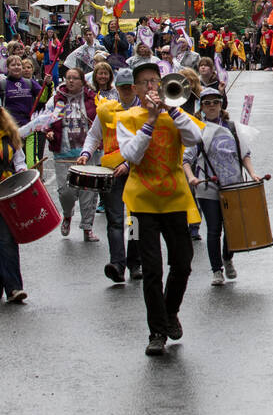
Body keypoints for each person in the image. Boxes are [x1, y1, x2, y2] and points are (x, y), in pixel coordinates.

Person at [116, 59, 203, 356]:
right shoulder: (127, 118)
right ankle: (156, 332)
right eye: (146, 82)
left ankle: (170, 312)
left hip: (175, 200)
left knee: (182, 262)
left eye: (155, 80)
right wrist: (151, 121)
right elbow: (132, 156)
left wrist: (172, 111)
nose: (152, 86)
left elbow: (196, 138)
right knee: (150, 268)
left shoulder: (176, 113)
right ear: (136, 89)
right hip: (141, 205)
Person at [183, 89, 262, 284]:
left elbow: (244, 154)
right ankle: (216, 270)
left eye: (215, 102)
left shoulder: (233, 127)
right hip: (208, 186)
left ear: (221, 105)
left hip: (233, 187)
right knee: (213, 229)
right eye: (207, 103)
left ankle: (228, 258)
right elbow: (186, 160)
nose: (211, 106)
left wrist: (252, 173)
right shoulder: (198, 130)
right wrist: (192, 177)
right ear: (201, 107)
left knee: (232, 228)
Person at [77, 67, 140, 282]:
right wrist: (86, 153)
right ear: (117, 88)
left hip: (135, 172)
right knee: (114, 219)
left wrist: (128, 164)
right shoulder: (107, 109)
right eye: (123, 88)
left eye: (130, 87)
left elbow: (148, 144)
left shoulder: (144, 111)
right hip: (111, 171)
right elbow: (94, 135)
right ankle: (117, 265)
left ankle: (135, 262)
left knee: (135, 220)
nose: (127, 91)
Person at [46, 67, 100, 240]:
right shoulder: (58, 99)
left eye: (74, 78)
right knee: (65, 193)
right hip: (63, 153)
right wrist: (48, 130)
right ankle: (67, 215)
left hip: (87, 154)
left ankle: (87, 228)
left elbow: (102, 119)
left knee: (88, 192)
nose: (70, 81)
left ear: (82, 81)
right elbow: (47, 119)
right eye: (68, 78)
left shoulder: (92, 99)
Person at [0, 107, 28, 303]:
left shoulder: (10, 136)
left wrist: (23, 176)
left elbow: (20, 163)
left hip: (6, 194)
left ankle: (14, 288)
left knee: (7, 240)